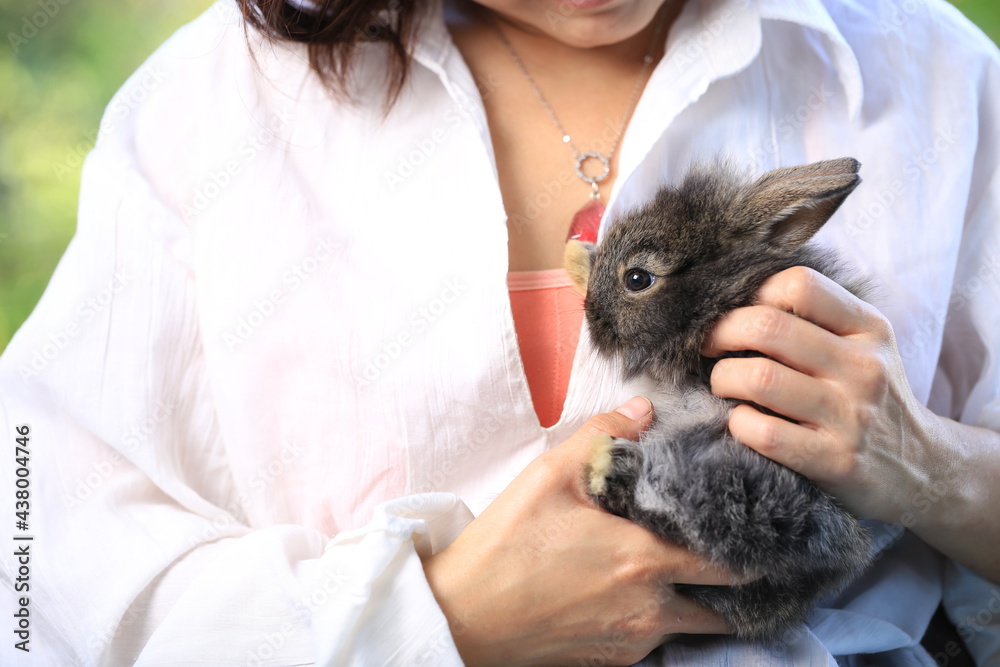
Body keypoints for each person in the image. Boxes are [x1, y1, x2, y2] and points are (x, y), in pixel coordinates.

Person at [1, 0, 999, 664]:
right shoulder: (214, 105)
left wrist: (936, 470)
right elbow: (34, 564)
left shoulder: (933, 78)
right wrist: (438, 621)